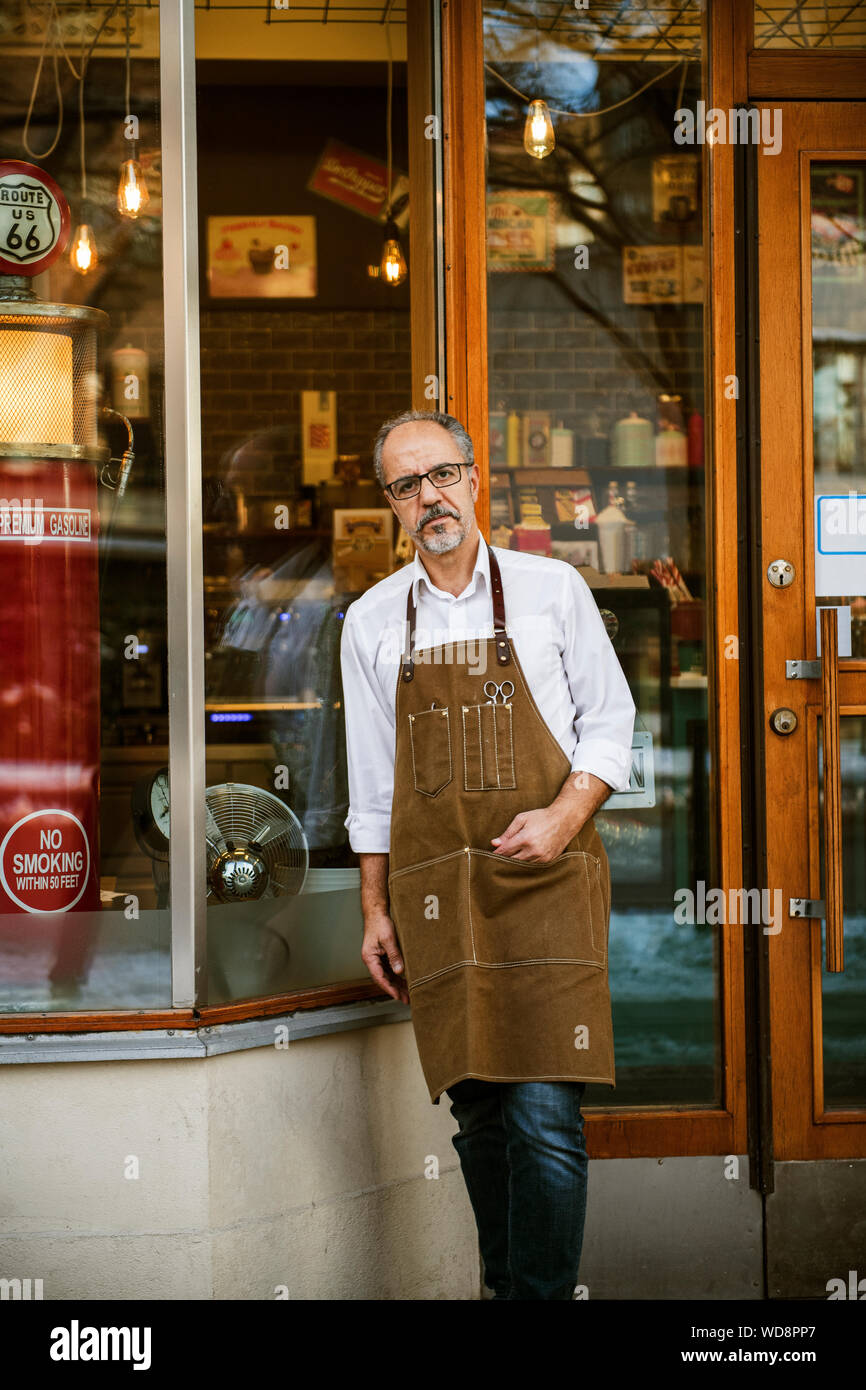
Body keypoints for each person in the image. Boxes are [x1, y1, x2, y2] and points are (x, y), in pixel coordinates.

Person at [339, 409, 636, 1300]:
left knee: (543, 1118)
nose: (429, 497)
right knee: (480, 1121)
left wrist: (564, 815)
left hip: (545, 882)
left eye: (441, 475)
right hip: (438, 896)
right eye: (406, 485)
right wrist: (375, 907)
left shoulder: (553, 590)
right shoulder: (371, 620)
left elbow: (611, 723)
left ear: (474, 479)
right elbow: (373, 782)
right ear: (392, 503)